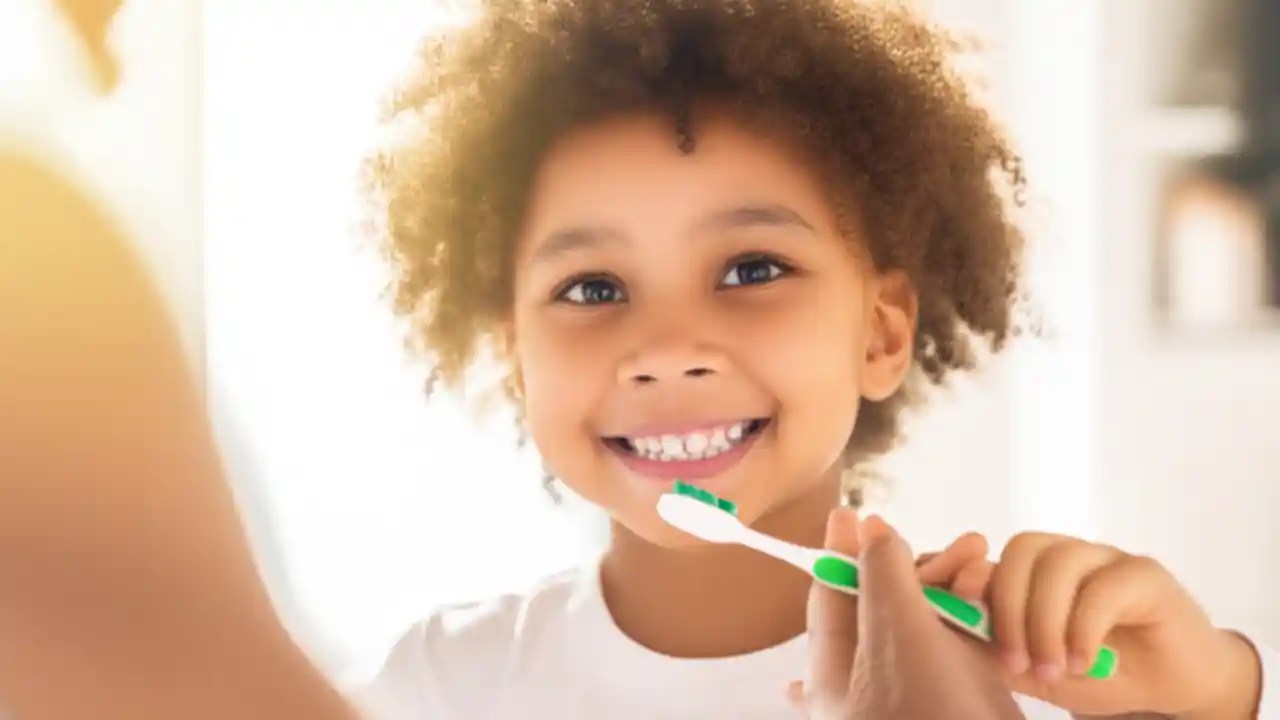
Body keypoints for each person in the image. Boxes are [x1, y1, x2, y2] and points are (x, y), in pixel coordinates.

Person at [359, 0, 1276, 717]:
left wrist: (1212, 699)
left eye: (752, 268)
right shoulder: (436, 689)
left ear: (879, 333)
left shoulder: (1057, 684)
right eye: (592, 288)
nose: (668, 350)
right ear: (517, 356)